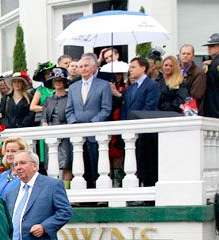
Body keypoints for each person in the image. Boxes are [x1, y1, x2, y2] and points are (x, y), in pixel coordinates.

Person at [66, 53, 113, 188]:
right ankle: (82, 195)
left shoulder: (103, 85)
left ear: (93, 67)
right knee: (80, 164)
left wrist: (92, 123)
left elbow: (106, 109)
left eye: (86, 66)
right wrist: (74, 123)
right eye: (81, 66)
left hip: (95, 131)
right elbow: (69, 110)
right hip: (77, 132)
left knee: (97, 163)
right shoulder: (73, 87)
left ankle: (100, 196)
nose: (83, 69)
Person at [121, 57, 161, 187]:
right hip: (131, 132)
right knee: (135, 163)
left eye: (133, 67)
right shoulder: (130, 88)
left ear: (143, 68)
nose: (130, 70)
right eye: (130, 67)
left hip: (145, 132)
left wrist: (136, 124)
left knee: (147, 163)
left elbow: (149, 107)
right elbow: (125, 109)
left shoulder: (152, 85)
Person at [40, 68, 73, 183]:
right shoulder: (49, 99)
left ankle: (66, 190)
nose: (58, 82)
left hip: (66, 133)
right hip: (51, 133)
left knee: (67, 162)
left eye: (60, 80)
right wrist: (45, 126)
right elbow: (44, 117)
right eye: (55, 80)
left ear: (64, 82)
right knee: (52, 162)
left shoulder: (70, 97)